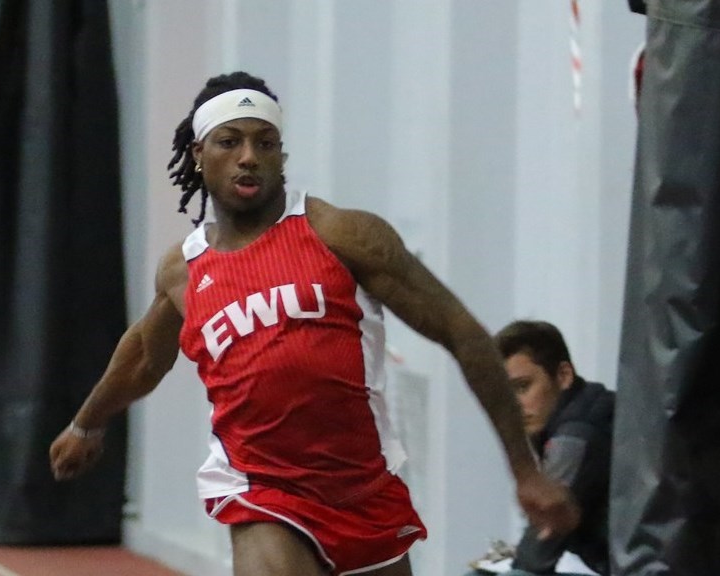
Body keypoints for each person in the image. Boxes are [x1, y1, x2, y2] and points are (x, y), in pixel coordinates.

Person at [49, 71, 578, 576]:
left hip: (362, 486)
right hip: (261, 488)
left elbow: (462, 332)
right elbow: (143, 356)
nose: (249, 158)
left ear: (282, 154)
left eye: (265, 143)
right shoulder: (184, 271)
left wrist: (525, 469)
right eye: (229, 142)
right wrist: (86, 423)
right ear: (199, 155)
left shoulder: (342, 234)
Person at [466, 320, 614, 576]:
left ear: (564, 376)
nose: (513, 405)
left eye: (523, 387)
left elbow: (537, 555)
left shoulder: (576, 435)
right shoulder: (577, 413)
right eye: (505, 393)